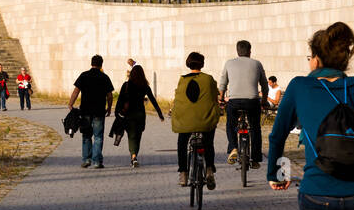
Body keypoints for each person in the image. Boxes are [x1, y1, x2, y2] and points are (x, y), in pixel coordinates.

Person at [267, 22, 354, 210]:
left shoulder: (299, 86)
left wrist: (276, 175)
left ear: (316, 60)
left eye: (310, 57)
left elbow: (277, 135)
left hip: (317, 193)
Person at [219, 40, 270, 169]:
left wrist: (221, 98)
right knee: (255, 128)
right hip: (252, 101)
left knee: (230, 124)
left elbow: (223, 83)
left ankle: (233, 148)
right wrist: (263, 101)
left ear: (237, 51)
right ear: (250, 51)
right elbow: (264, 85)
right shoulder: (257, 64)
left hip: (234, 101)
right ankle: (255, 159)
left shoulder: (229, 63)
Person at [172, 51, 219, 190]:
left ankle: (183, 173)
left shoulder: (182, 79)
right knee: (208, 142)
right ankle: (209, 170)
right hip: (205, 121)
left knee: (182, 143)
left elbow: (178, 100)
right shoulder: (209, 79)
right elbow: (214, 96)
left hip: (185, 122)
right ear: (202, 64)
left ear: (188, 63)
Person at [67, 54, 114, 169]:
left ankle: (86, 159)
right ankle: (97, 162)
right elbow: (110, 95)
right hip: (99, 111)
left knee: (86, 135)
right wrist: (109, 107)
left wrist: (70, 103)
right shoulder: (104, 77)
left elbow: (76, 91)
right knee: (98, 137)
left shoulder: (84, 75)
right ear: (101, 64)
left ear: (91, 63)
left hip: (85, 111)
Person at [114, 64, 164, 167]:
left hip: (129, 115)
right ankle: (134, 155)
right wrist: (159, 113)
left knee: (131, 136)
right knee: (138, 136)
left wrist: (117, 113)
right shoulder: (144, 86)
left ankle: (133, 156)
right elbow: (153, 100)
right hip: (140, 114)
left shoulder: (126, 85)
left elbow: (120, 100)